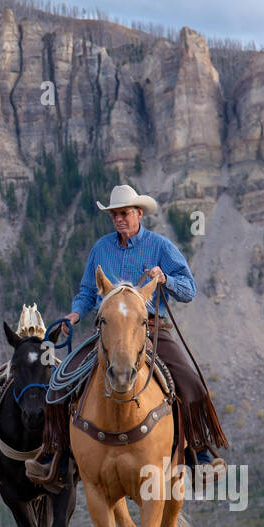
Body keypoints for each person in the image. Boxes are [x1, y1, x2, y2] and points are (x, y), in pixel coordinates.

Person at [62, 184, 227, 475]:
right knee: (62, 380)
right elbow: (88, 291)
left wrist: (165, 279)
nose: (118, 219)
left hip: (150, 327)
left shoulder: (161, 246)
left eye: (124, 213)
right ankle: (59, 451)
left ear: (139, 213)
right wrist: (75, 313)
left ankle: (198, 450)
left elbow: (189, 290)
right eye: (114, 215)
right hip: (108, 331)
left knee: (190, 381)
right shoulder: (100, 248)